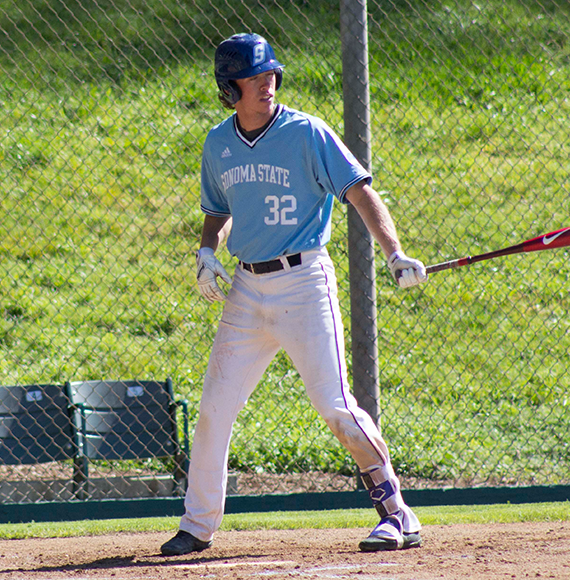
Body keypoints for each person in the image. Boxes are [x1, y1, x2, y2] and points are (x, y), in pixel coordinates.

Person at [160, 33, 428, 557]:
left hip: (304, 282)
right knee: (215, 408)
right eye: (255, 77)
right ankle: (197, 524)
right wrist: (207, 252)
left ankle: (397, 513)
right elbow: (218, 209)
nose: (268, 83)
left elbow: (359, 191)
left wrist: (393, 252)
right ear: (228, 88)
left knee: (335, 406)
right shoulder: (218, 143)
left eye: (271, 75)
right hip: (246, 289)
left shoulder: (307, 132)